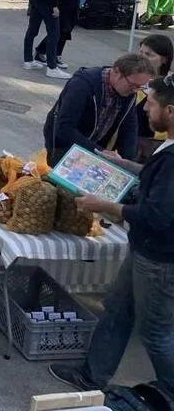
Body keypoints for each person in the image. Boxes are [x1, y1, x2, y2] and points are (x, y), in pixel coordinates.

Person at [48, 76, 174, 396]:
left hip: (159, 260)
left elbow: (159, 215)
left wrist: (106, 206)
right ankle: (92, 376)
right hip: (145, 250)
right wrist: (125, 164)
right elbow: (155, 181)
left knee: (156, 333)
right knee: (117, 310)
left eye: (154, 104)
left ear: (171, 111)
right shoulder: (169, 148)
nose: (146, 110)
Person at [42, 53, 156, 166]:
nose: (136, 90)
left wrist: (127, 163)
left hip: (94, 147)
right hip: (62, 145)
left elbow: (129, 130)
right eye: (133, 85)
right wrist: (100, 151)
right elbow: (64, 128)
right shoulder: (82, 84)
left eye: (140, 87)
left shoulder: (129, 92)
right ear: (116, 72)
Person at [133, 34, 174, 161]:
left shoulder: (169, 84)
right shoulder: (131, 77)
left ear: (164, 60)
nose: (142, 58)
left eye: (149, 54)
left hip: (155, 144)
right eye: (141, 52)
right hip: (129, 139)